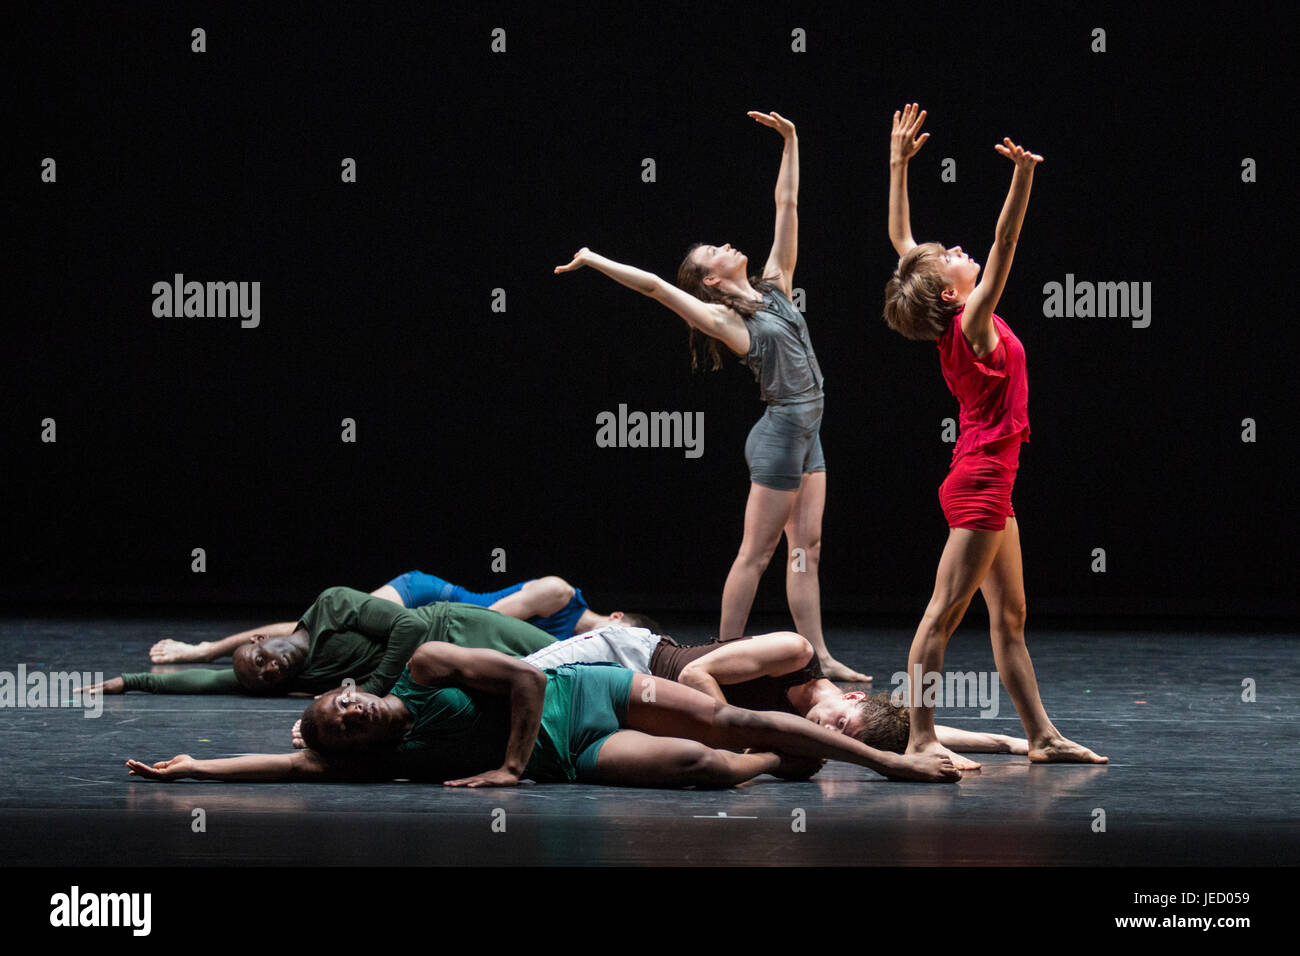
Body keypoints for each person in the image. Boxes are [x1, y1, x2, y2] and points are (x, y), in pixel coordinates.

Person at [555, 110, 869, 683]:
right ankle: (720, 653)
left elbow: (787, 206)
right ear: (712, 282)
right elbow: (654, 287)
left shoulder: (776, 284)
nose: (727, 245)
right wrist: (594, 259)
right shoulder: (728, 321)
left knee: (808, 548)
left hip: (809, 434)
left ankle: (818, 654)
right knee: (759, 552)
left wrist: (793, 140)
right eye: (713, 253)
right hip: (779, 436)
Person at [882, 103, 1106, 767]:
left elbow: (902, 239)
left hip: (991, 479)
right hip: (979, 481)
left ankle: (1041, 736)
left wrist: (897, 163)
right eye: (950, 257)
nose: (958, 251)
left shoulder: (952, 310)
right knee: (941, 614)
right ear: (950, 295)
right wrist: (1023, 178)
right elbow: (1005, 245)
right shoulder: (973, 324)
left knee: (1010, 617)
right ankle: (920, 736)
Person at [126, 644, 962, 788]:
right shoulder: (365, 756)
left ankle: (886, 762)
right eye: (344, 721)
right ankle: (787, 763)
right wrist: (196, 769)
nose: (350, 707)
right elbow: (286, 768)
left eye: (339, 697)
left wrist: (510, 768)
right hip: (573, 761)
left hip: (583, 696)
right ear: (358, 740)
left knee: (723, 721)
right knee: (704, 771)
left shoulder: (421, 671)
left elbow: (527, 679)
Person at [525, 626, 1025, 754]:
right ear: (851, 697)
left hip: (628, 697)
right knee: (510, 683)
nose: (827, 731)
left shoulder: (832, 717)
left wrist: (1008, 742)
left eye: (839, 739)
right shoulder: (794, 651)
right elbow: (697, 677)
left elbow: (917, 729)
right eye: (841, 725)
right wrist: (733, 735)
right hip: (627, 657)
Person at [81, 587, 557, 696]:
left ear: (264, 637)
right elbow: (207, 681)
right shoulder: (300, 674)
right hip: (448, 667)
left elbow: (409, 628)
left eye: (261, 658)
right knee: (552, 682)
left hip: (459, 629)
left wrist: (373, 689)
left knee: (575, 655)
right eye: (264, 676)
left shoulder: (330, 607)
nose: (268, 669)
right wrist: (129, 682)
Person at [147, 571, 644, 664]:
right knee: (321, 627)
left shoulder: (575, 651)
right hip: (430, 598)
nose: (618, 644)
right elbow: (482, 618)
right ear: (616, 615)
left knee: (327, 653)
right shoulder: (561, 593)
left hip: (442, 625)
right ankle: (204, 650)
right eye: (623, 635)